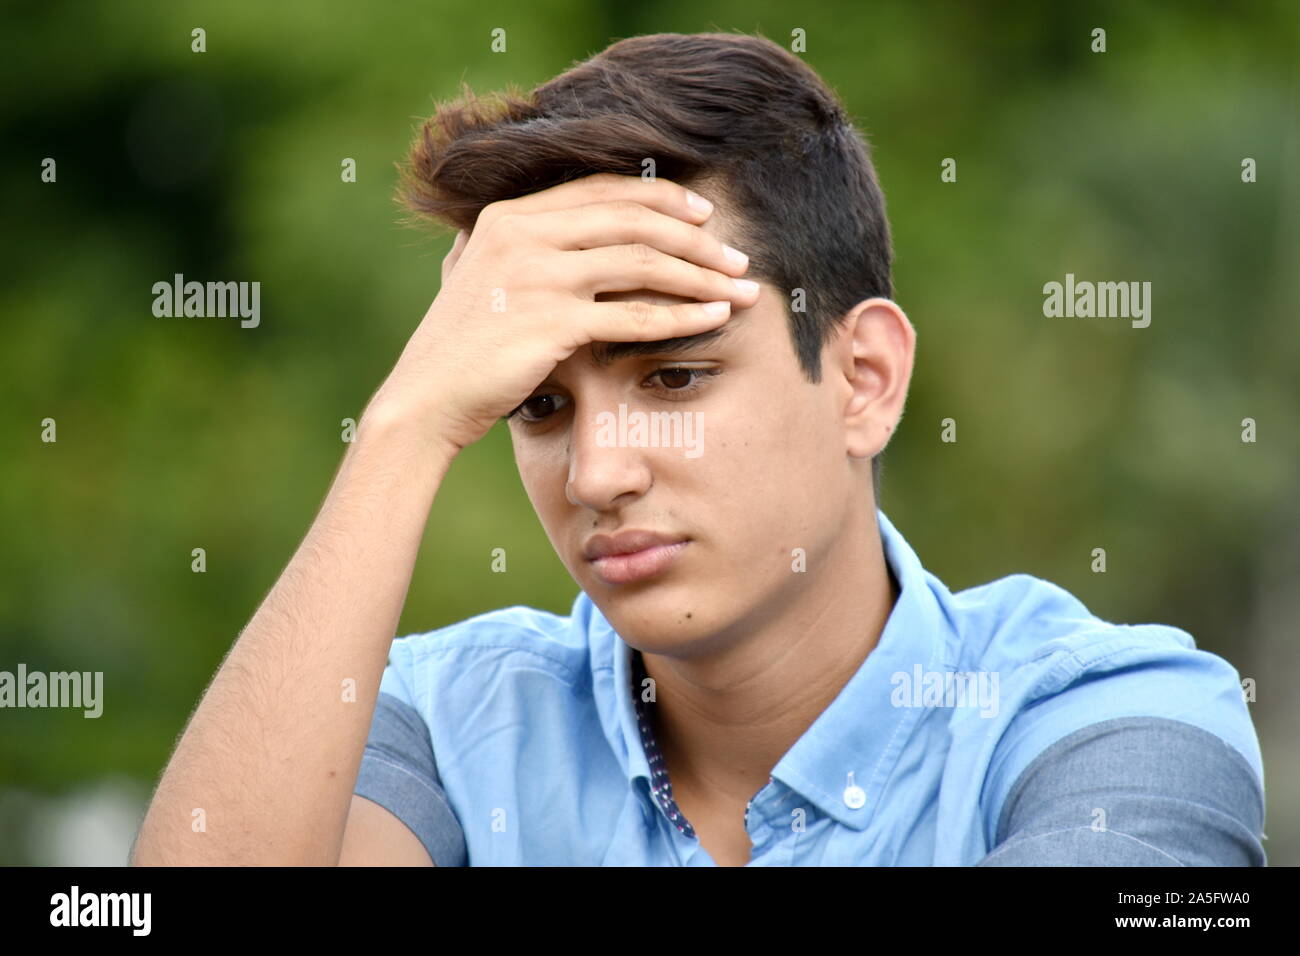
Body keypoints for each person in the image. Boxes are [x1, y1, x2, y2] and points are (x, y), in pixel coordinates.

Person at [131, 31, 1265, 867]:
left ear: (863, 378)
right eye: (536, 405)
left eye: (673, 376)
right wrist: (400, 429)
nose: (597, 472)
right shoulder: (444, 717)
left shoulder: (1112, 722)